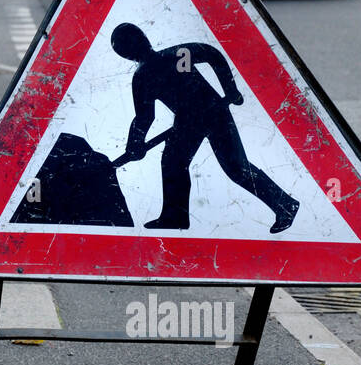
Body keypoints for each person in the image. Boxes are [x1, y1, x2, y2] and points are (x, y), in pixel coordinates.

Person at [111, 23, 300, 233]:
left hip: (213, 112)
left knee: (235, 168)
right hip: (187, 121)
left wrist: (230, 89)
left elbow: (211, 54)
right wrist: (134, 144)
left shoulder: (173, 57)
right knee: (173, 163)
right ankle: (174, 217)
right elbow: (145, 116)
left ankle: (285, 205)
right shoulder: (144, 76)